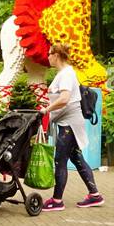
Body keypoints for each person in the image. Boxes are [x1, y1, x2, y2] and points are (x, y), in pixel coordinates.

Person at [39, 43, 103, 210]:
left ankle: (57, 201)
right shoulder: (63, 73)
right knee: (76, 158)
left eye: (49, 54)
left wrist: (47, 110)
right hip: (68, 123)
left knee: (60, 160)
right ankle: (95, 195)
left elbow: (65, 98)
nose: (48, 57)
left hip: (69, 125)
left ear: (57, 55)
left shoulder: (66, 74)